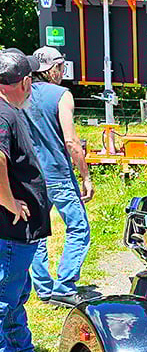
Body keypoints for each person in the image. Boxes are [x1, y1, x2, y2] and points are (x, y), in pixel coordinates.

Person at [0, 49, 57, 352]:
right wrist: (7, 200)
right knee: (3, 297)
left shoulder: (8, 110)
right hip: (11, 228)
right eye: (31, 80)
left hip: (21, 229)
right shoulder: (3, 114)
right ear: (23, 82)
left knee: (17, 293)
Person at [25, 46, 94, 307]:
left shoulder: (23, 92)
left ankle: (43, 288)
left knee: (38, 232)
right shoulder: (62, 95)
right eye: (62, 66)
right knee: (79, 228)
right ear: (54, 69)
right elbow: (71, 142)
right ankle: (64, 286)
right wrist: (85, 176)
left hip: (32, 176)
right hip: (58, 174)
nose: (64, 71)